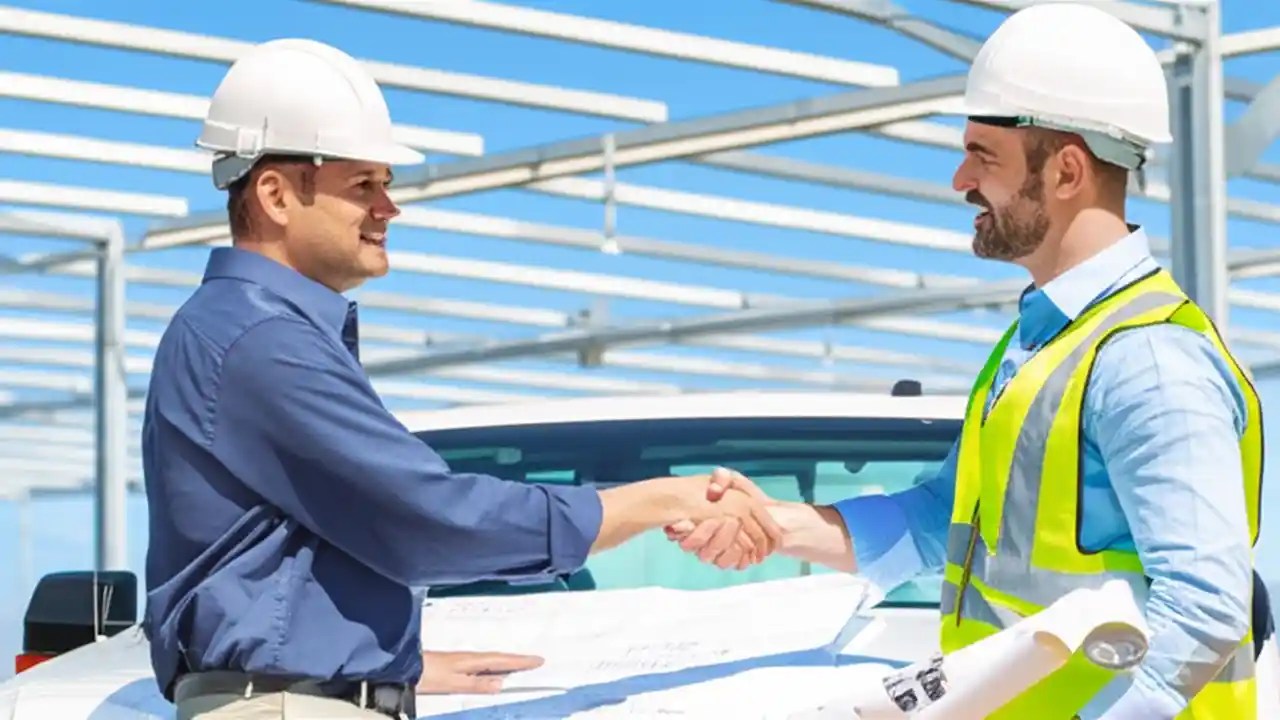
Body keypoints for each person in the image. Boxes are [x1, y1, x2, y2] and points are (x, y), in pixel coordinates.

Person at [140, 38, 781, 720]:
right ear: (275, 195)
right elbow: (426, 519)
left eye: (386, 183)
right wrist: (654, 502)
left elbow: (303, 549)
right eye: (364, 185)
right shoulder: (261, 341)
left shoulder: (245, 330)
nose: (390, 209)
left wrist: (390, 664)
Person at [668, 5, 1264, 719]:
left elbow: (1205, 606)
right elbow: (938, 521)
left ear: (1068, 170)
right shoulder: (1043, 346)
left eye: (983, 155)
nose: (959, 179)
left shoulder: (1149, 360)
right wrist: (777, 522)